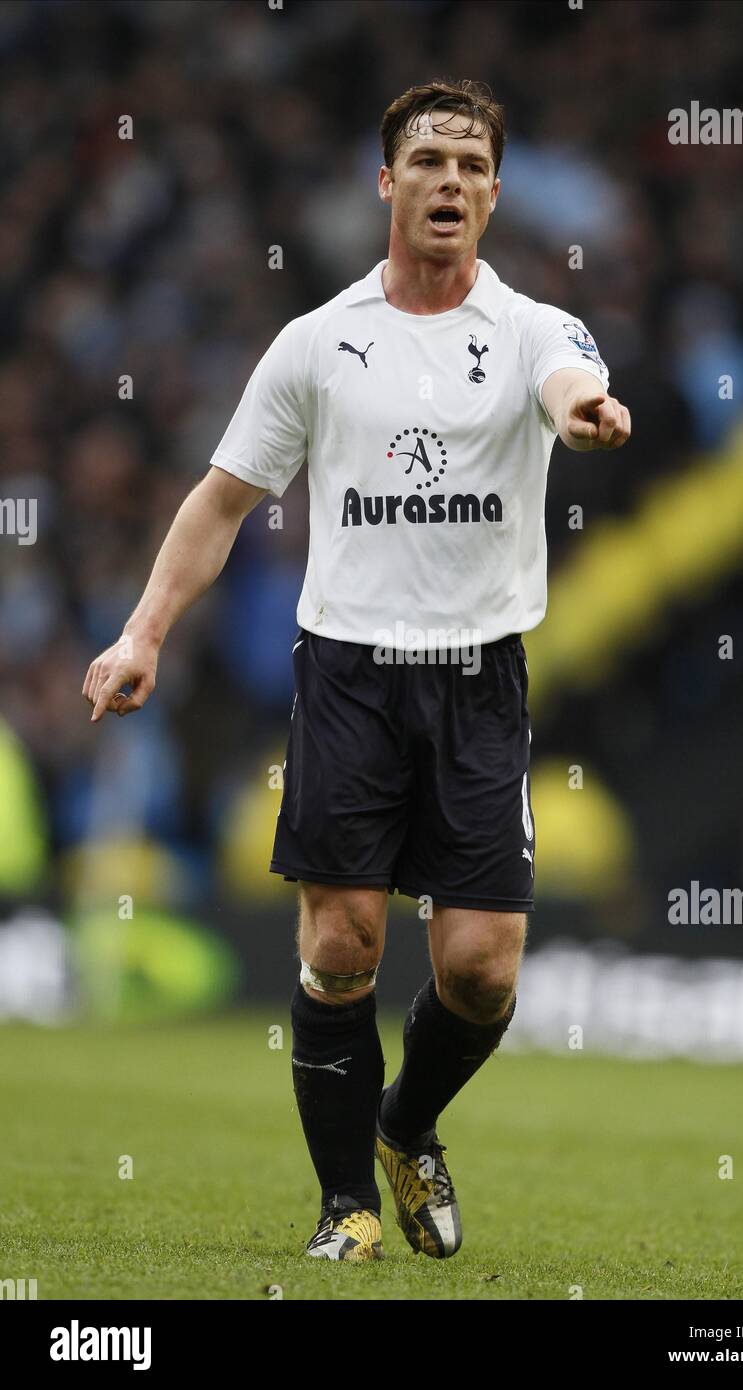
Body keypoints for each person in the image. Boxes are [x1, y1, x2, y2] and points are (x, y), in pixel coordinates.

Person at [83, 79, 630, 1263]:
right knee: (340, 951)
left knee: (480, 973)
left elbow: (571, 385)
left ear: (493, 191)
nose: (447, 181)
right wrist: (142, 633)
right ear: (387, 184)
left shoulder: (536, 326)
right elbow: (219, 501)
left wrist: (589, 414)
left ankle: (407, 1123)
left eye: (470, 164)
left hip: (479, 681)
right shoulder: (317, 344)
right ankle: (346, 1207)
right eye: (425, 160)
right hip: (348, 676)